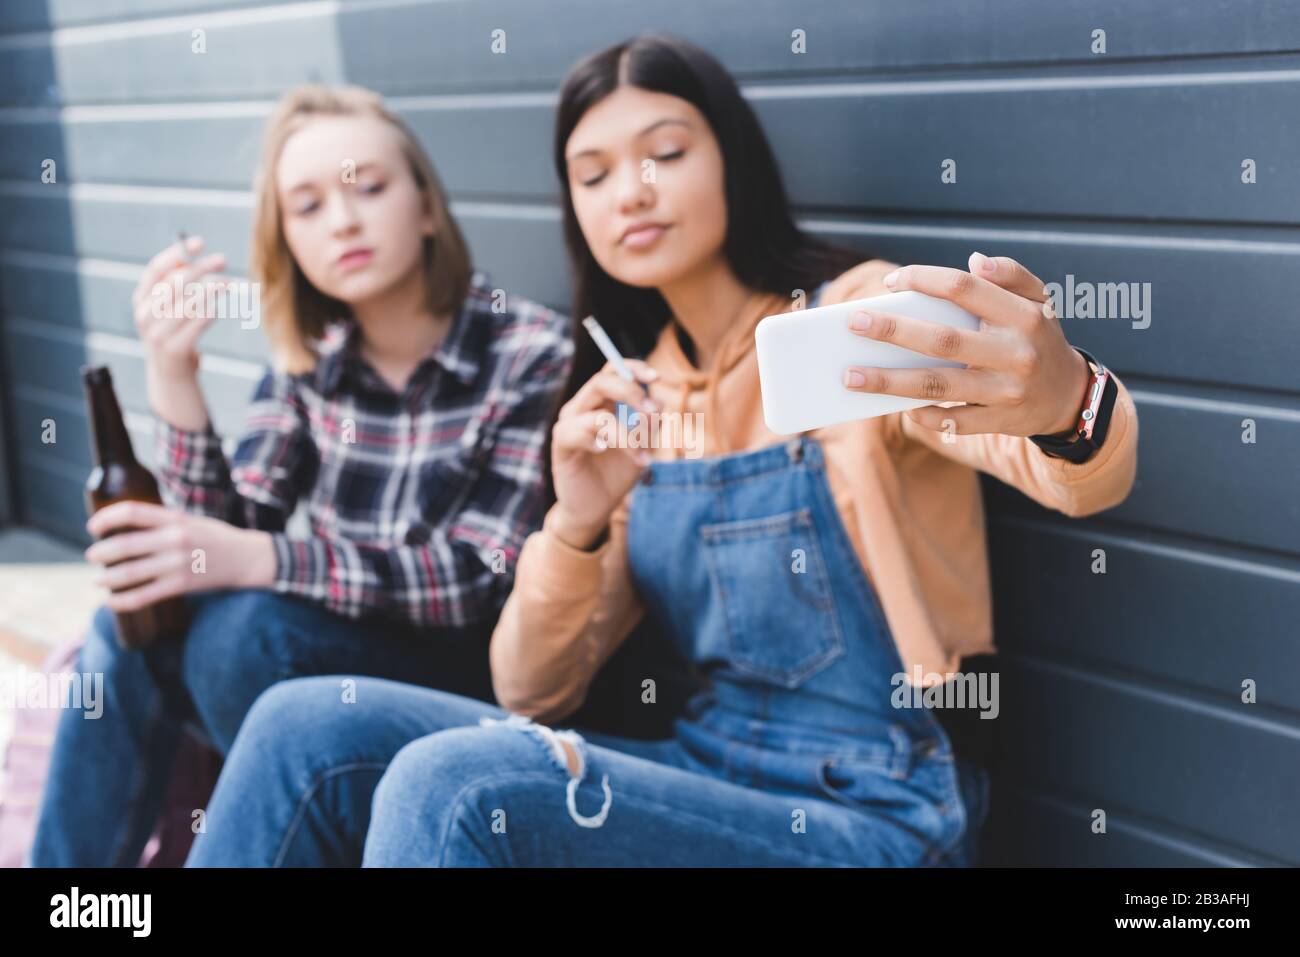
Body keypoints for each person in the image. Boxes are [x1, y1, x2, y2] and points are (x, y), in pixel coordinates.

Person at [187, 35, 1138, 868]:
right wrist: (576, 519)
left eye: (666, 153)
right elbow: (531, 686)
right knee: (301, 721)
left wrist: (1065, 396)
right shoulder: (634, 395)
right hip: (710, 772)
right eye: (592, 174)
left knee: (453, 784)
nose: (630, 191)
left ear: (733, 161)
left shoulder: (856, 317)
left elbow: (1077, 474)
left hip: (883, 807)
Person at [29, 85, 572, 867]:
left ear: (426, 206)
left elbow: (476, 575)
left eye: (369, 188)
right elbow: (225, 535)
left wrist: (264, 559)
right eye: (308, 206)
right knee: (131, 620)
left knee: (240, 633)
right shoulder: (313, 358)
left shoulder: (529, 351)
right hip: (312, 651)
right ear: (286, 239)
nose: (343, 221)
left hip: (461, 675)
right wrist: (173, 377)